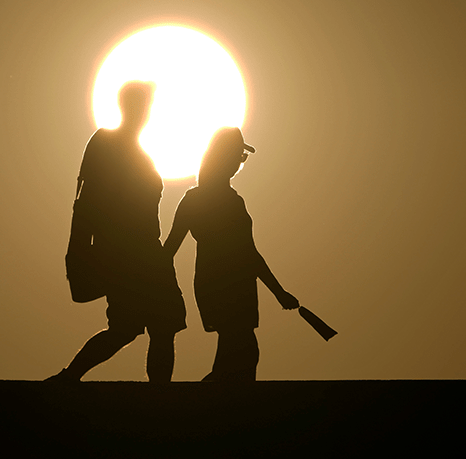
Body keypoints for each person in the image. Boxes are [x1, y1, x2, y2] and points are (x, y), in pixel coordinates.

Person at [48, 81, 186, 382]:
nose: (145, 112)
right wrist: (81, 252)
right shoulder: (106, 144)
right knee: (128, 328)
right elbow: (85, 205)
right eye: (142, 105)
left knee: (160, 328)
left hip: (149, 252)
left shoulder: (139, 151)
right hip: (126, 253)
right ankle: (69, 377)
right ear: (127, 106)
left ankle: (158, 395)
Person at [164, 127, 298, 381]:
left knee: (238, 351)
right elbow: (249, 254)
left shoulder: (194, 199)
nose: (239, 162)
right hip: (231, 284)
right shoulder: (230, 203)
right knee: (242, 352)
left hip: (213, 282)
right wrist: (279, 292)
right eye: (238, 155)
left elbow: (168, 249)